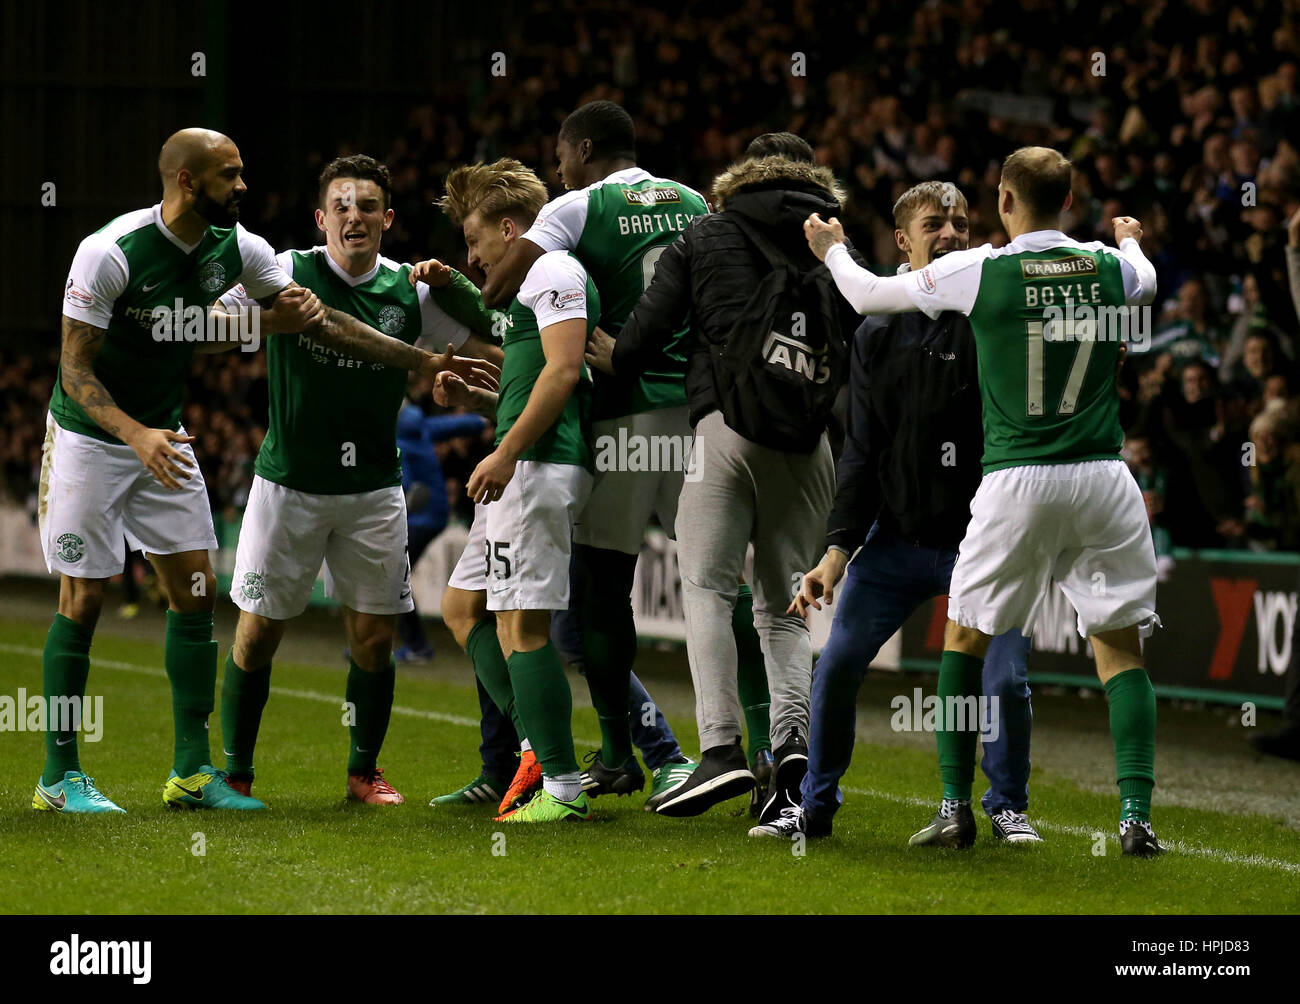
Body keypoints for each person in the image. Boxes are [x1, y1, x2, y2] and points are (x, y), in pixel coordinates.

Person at [35, 129, 486, 814]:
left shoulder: (238, 250)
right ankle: (58, 777)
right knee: (85, 598)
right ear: (187, 181)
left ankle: (192, 772)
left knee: (193, 593)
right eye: (230, 175)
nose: (244, 186)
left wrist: (417, 361)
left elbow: (324, 322)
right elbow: (74, 367)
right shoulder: (109, 253)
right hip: (91, 438)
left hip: (168, 433)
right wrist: (135, 434)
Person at [806, 146, 1165, 856]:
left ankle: (955, 806)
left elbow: (867, 294)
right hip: (1103, 475)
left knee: (964, 639)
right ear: (1069, 199)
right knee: (1121, 653)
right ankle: (1135, 819)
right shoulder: (1108, 264)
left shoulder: (985, 270)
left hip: (1017, 481)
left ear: (1003, 202)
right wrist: (1127, 236)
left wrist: (833, 249)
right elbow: (1147, 278)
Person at [213, 154, 501, 805]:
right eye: (341, 205)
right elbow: (212, 323)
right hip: (287, 483)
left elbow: (488, 341)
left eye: (368, 206)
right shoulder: (285, 270)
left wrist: (464, 294)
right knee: (257, 634)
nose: (355, 216)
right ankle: (235, 771)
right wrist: (268, 320)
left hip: (373, 490)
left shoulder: (413, 291)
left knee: (373, 639)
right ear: (322, 218)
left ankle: (363, 771)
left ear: (388, 218)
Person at [587, 146, 858, 827]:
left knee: (707, 587)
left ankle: (720, 750)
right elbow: (861, 323)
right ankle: (792, 745)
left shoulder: (705, 232)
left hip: (724, 431)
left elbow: (642, 340)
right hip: (810, 441)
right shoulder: (831, 237)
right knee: (785, 604)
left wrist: (607, 352)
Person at [478, 100, 738, 808]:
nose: (556, 169)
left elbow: (507, 281)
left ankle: (620, 754)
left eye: (560, 156)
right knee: (720, 585)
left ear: (582, 148)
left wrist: (485, 294)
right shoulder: (696, 201)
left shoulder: (575, 206)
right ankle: (760, 751)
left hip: (624, 418)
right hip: (701, 417)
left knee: (601, 594)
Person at [773, 181, 1038, 844]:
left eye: (959, 222)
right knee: (833, 667)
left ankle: (1006, 805)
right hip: (893, 544)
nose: (950, 233)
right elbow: (861, 451)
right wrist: (836, 552)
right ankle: (816, 806)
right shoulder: (877, 331)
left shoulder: (993, 312)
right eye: (934, 223)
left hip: (983, 542)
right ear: (903, 241)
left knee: (1004, 679)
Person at [437, 158, 600, 823]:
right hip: (523, 465)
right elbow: (541, 376)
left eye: (476, 244)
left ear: (510, 229)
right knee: (461, 606)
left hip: (537, 469)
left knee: (523, 627)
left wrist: (506, 451)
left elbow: (564, 372)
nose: (474, 260)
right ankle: (536, 740)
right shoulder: (531, 284)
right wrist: (483, 399)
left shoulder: (555, 270)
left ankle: (562, 787)